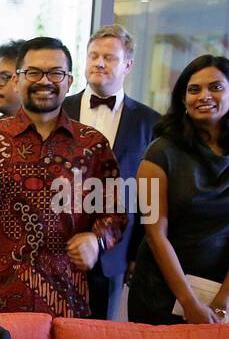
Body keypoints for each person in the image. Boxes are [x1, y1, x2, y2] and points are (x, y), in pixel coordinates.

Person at [0, 36, 123, 318]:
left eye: (56, 73)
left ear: (69, 81)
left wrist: (97, 240)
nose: (44, 80)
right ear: (18, 80)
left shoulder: (92, 145)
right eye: (33, 72)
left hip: (65, 300)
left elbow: (115, 213)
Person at [128, 55, 229, 326]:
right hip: (158, 291)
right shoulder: (157, 153)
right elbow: (155, 234)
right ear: (183, 100)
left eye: (216, 87)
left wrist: (222, 302)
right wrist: (189, 302)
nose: (204, 96)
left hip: (219, 290)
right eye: (194, 89)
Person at [62, 25, 162, 319]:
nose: (99, 63)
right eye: (93, 56)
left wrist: (137, 255)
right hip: (56, 246)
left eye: (109, 57)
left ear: (128, 65)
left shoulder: (151, 123)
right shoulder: (57, 111)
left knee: (98, 338)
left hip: (115, 254)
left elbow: (149, 197)